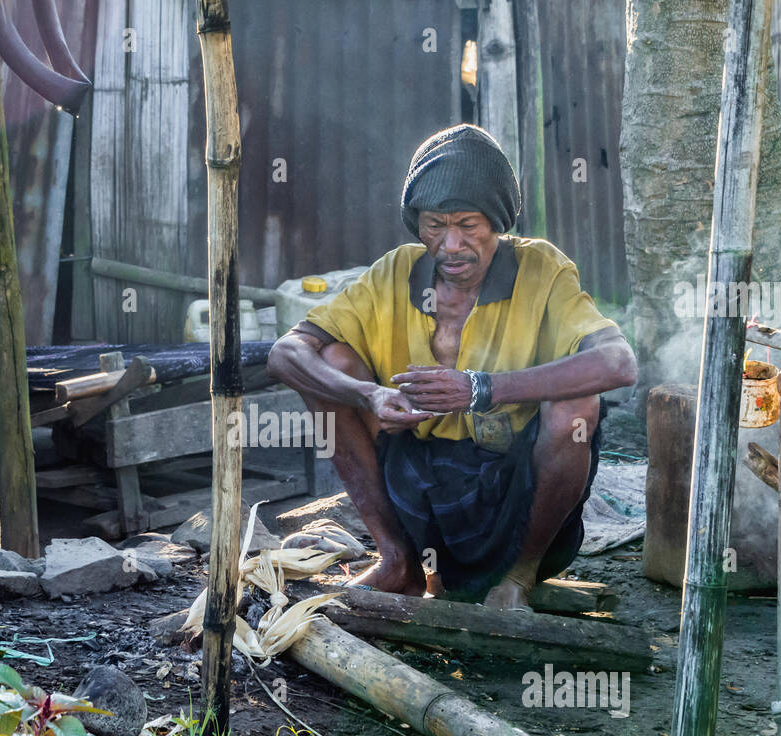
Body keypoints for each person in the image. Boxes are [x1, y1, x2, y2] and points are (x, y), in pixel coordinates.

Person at [267, 124, 637, 611]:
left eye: (468, 224)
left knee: (575, 404)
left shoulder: (542, 269)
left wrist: (482, 388)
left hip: (512, 496)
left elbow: (619, 363)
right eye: (435, 225)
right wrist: (368, 395)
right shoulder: (395, 271)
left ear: (498, 221)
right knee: (332, 362)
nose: (451, 244)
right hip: (416, 492)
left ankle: (518, 580)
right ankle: (397, 562)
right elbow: (284, 353)